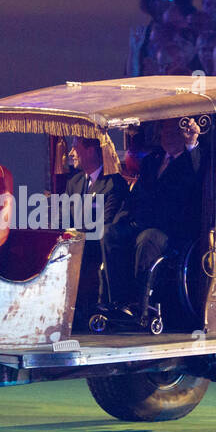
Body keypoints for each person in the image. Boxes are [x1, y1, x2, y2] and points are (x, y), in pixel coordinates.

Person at [101, 118, 205, 315]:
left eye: (172, 131)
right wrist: (122, 218)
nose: (166, 135)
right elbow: (136, 195)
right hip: (141, 222)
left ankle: (140, 306)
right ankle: (117, 301)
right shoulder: (152, 160)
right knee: (110, 233)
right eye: (164, 131)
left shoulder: (191, 161)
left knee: (147, 239)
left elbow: (196, 176)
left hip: (170, 229)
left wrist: (192, 142)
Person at [65, 136, 127, 319]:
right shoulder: (74, 182)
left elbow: (105, 221)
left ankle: (86, 310)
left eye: (75, 148)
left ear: (91, 150)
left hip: (97, 243)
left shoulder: (113, 183)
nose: (70, 153)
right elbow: (65, 216)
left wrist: (77, 233)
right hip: (73, 240)